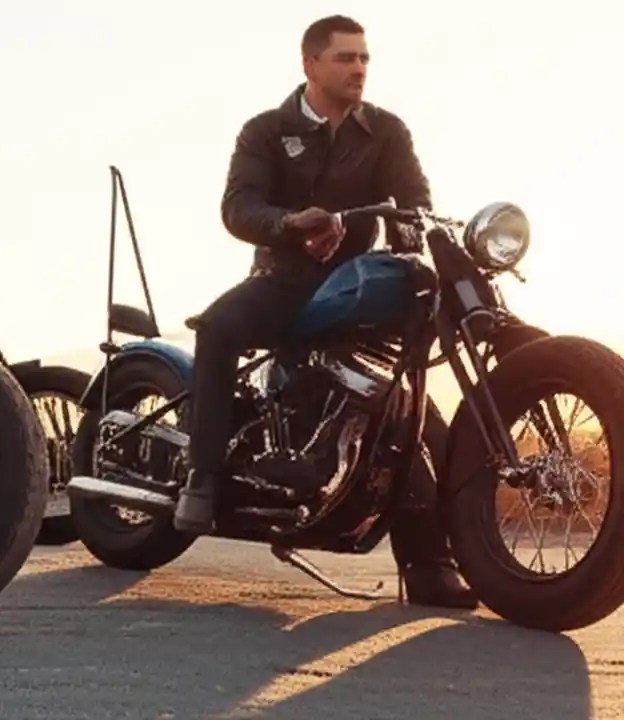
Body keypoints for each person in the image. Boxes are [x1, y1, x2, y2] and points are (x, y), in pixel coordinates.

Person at [173, 15, 477, 609]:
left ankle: (430, 567)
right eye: (345, 58)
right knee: (219, 327)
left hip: (353, 281)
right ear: (310, 64)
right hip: (283, 276)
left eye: (364, 58)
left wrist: (413, 231)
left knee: (407, 404)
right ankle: (201, 478)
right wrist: (290, 224)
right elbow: (239, 205)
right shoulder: (266, 130)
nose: (359, 68)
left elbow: (414, 199)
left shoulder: (386, 131)